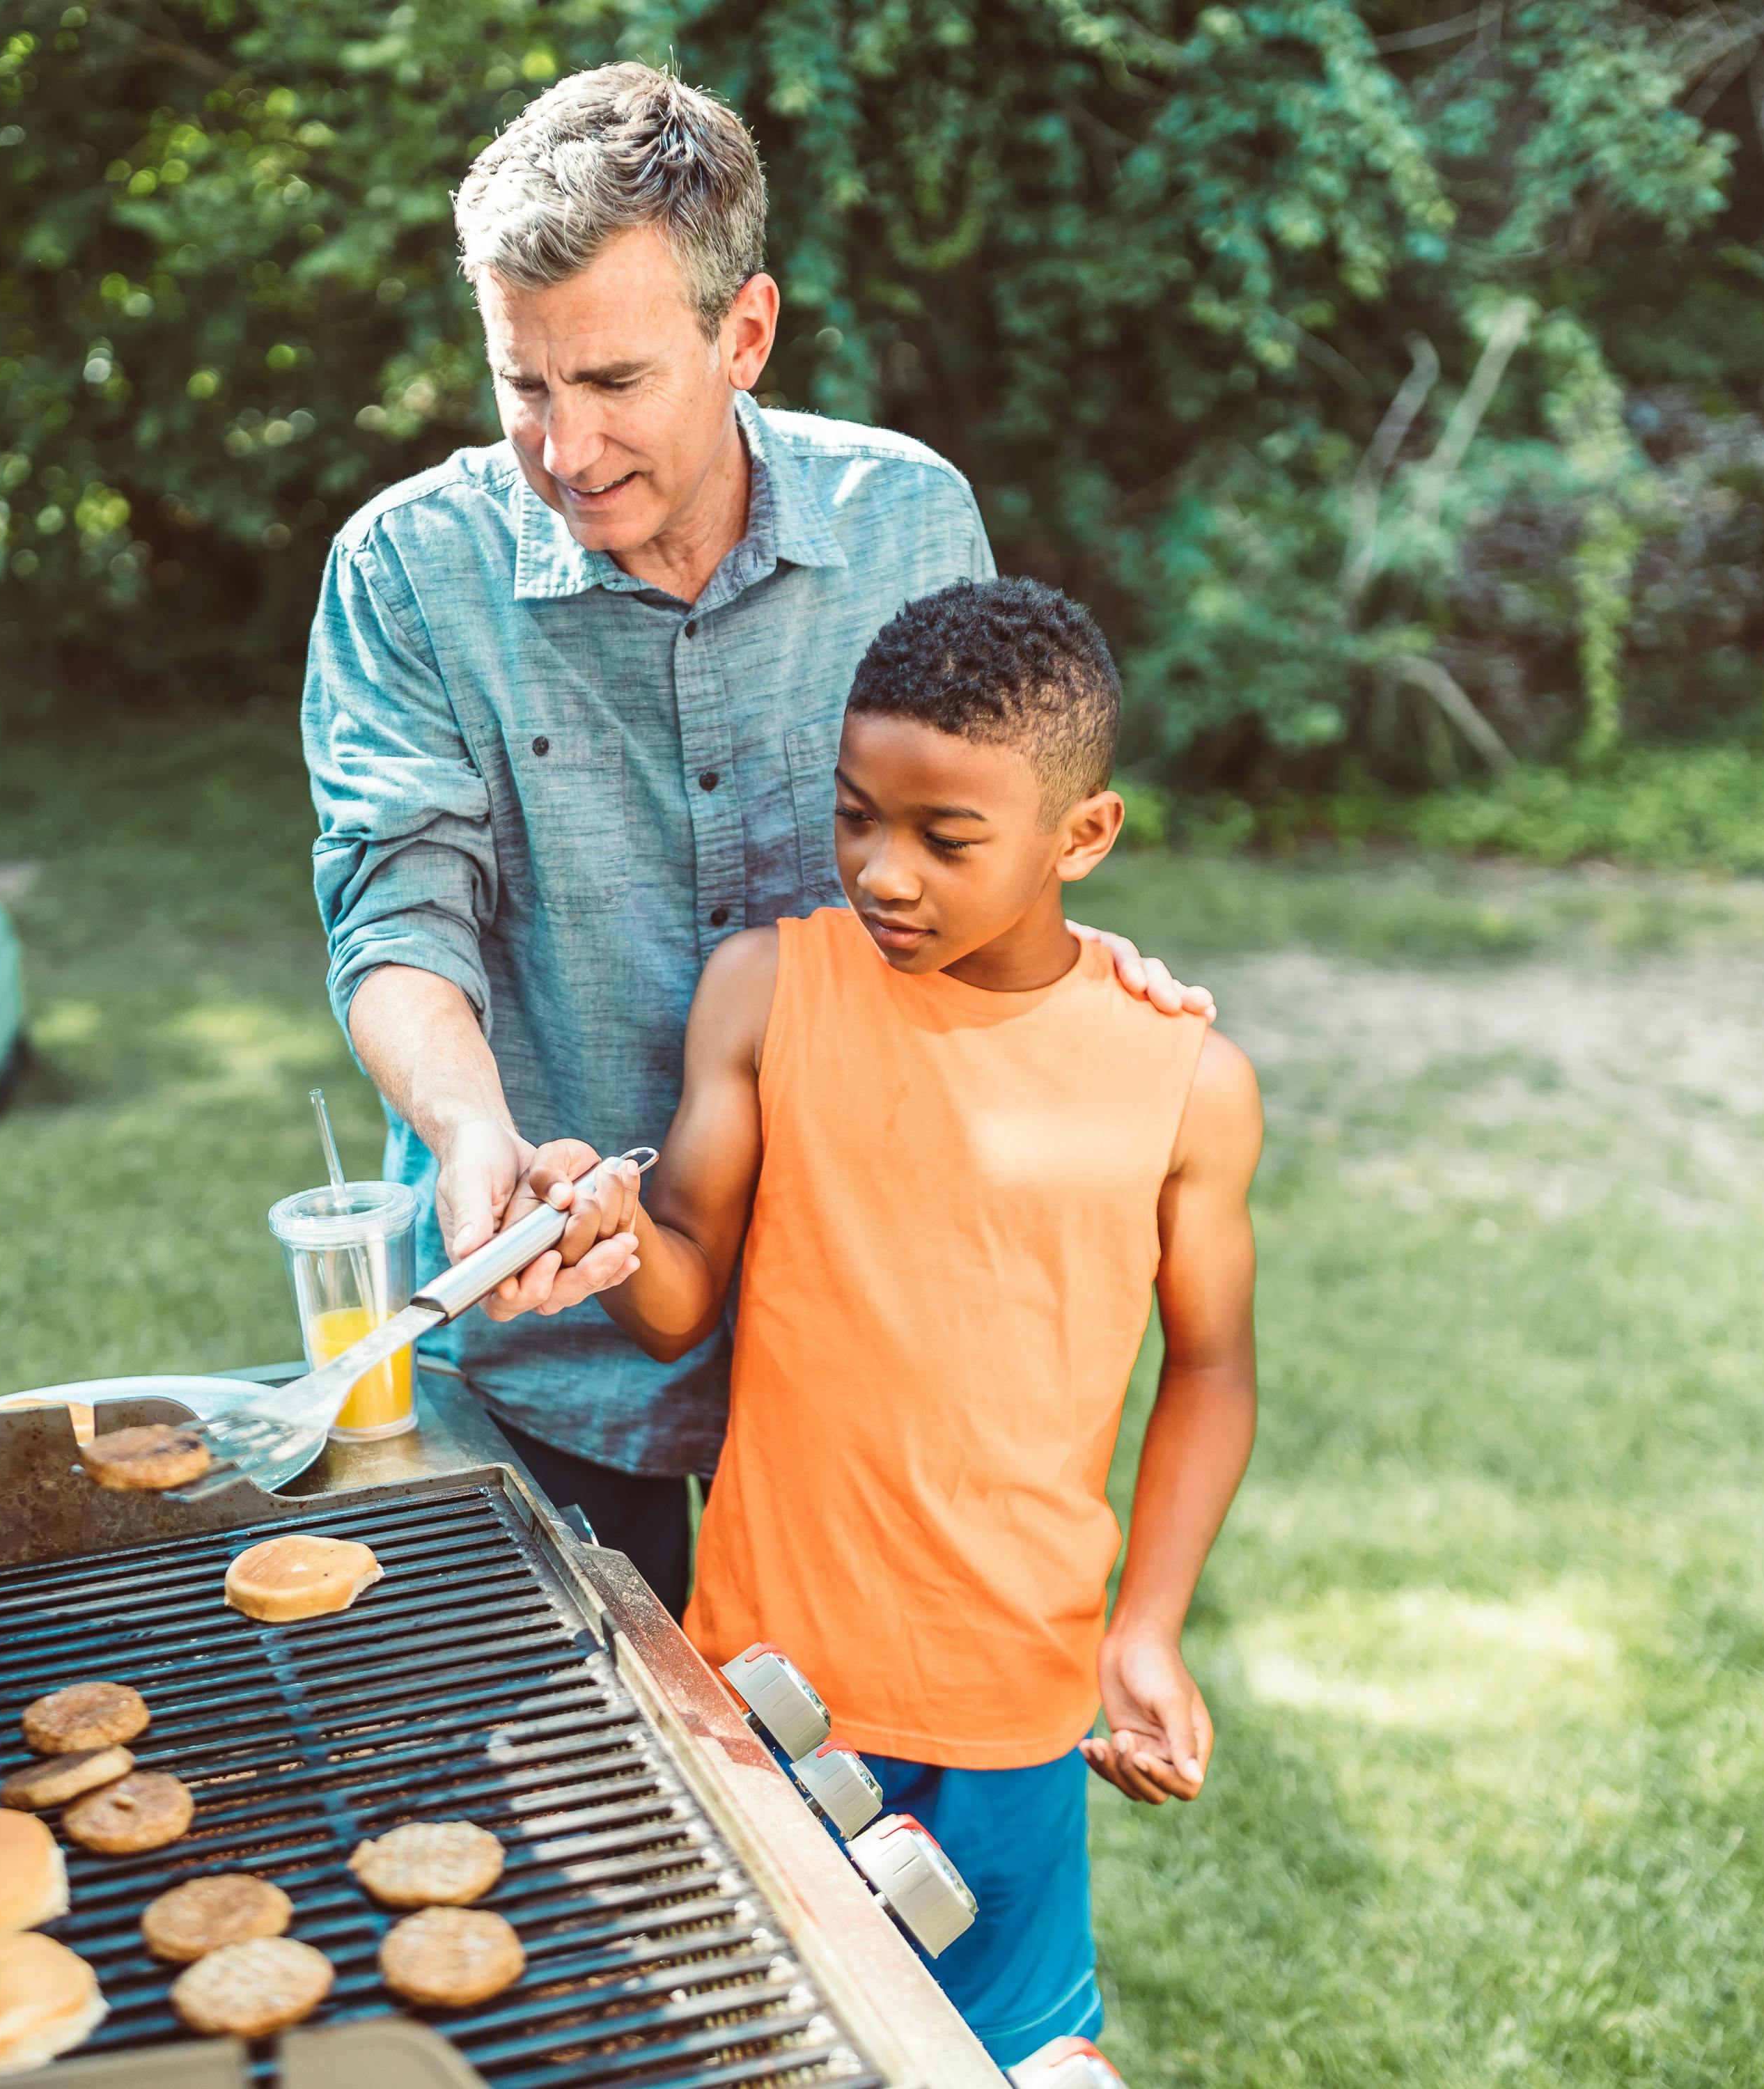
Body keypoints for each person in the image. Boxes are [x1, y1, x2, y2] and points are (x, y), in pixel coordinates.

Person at [301, 63, 1207, 1614]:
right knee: (578, 1794)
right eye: (525, 385)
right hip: (555, 1334)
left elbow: (980, 842)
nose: (566, 448)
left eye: (616, 383)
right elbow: (398, 912)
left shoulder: (910, 523)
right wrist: (472, 1135)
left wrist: (1057, 960)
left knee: (872, 1819)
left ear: (747, 333)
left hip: (863, 1336)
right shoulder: (405, 571)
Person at [558, 577, 1263, 2087]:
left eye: (947, 841)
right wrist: (608, 1233)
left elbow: (1210, 1365)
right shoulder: (765, 991)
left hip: (1014, 1688)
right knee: (778, 2040)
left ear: (1083, 839)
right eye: (856, 816)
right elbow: (681, 1281)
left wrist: (1147, 1626)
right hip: (773, 1675)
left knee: (1013, 2059)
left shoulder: (1185, 1080)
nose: (884, 872)